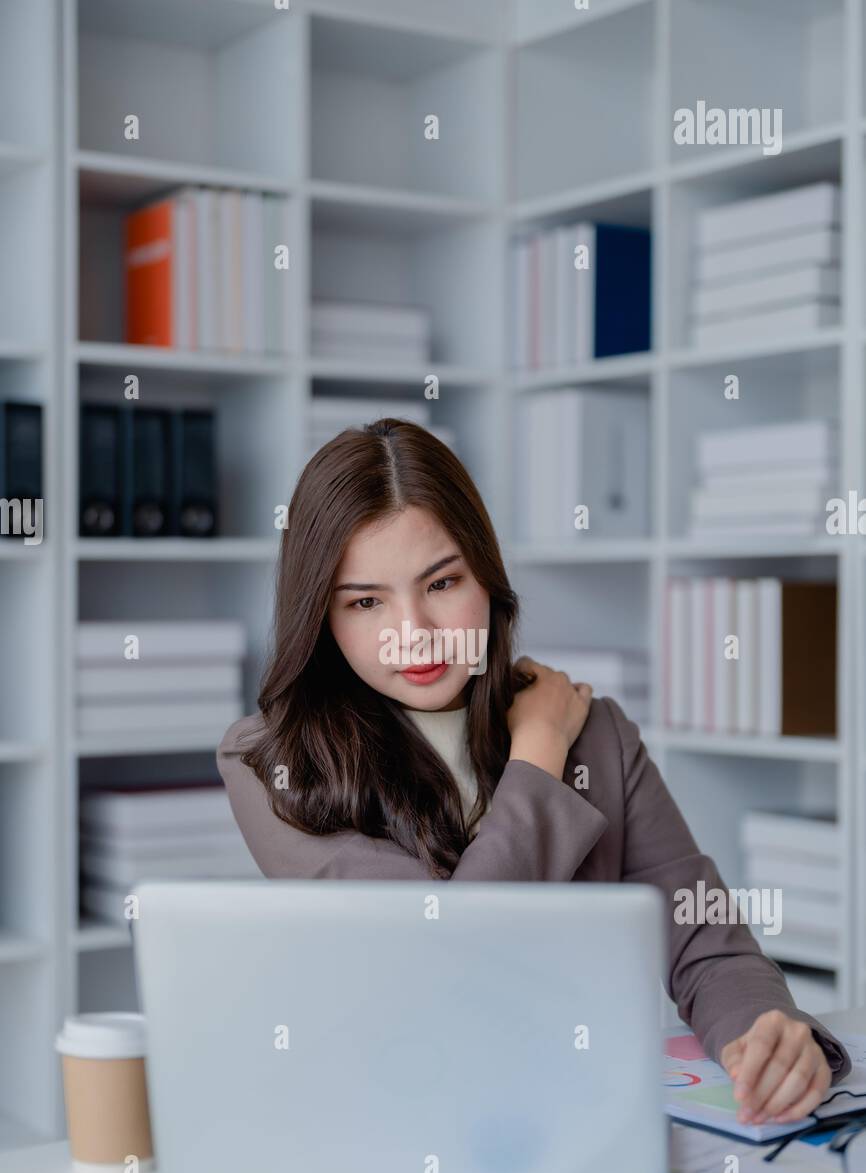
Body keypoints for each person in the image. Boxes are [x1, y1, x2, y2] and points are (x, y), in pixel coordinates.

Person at [217, 418, 852, 1128]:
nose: (417, 631)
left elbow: (704, 941)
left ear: (487, 578)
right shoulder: (274, 763)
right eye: (366, 601)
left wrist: (765, 1032)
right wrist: (539, 755)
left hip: (579, 1116)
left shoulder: (600, 735)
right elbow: (447, 964)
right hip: (400, 1126)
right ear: (323, 618)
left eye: (443, 581)